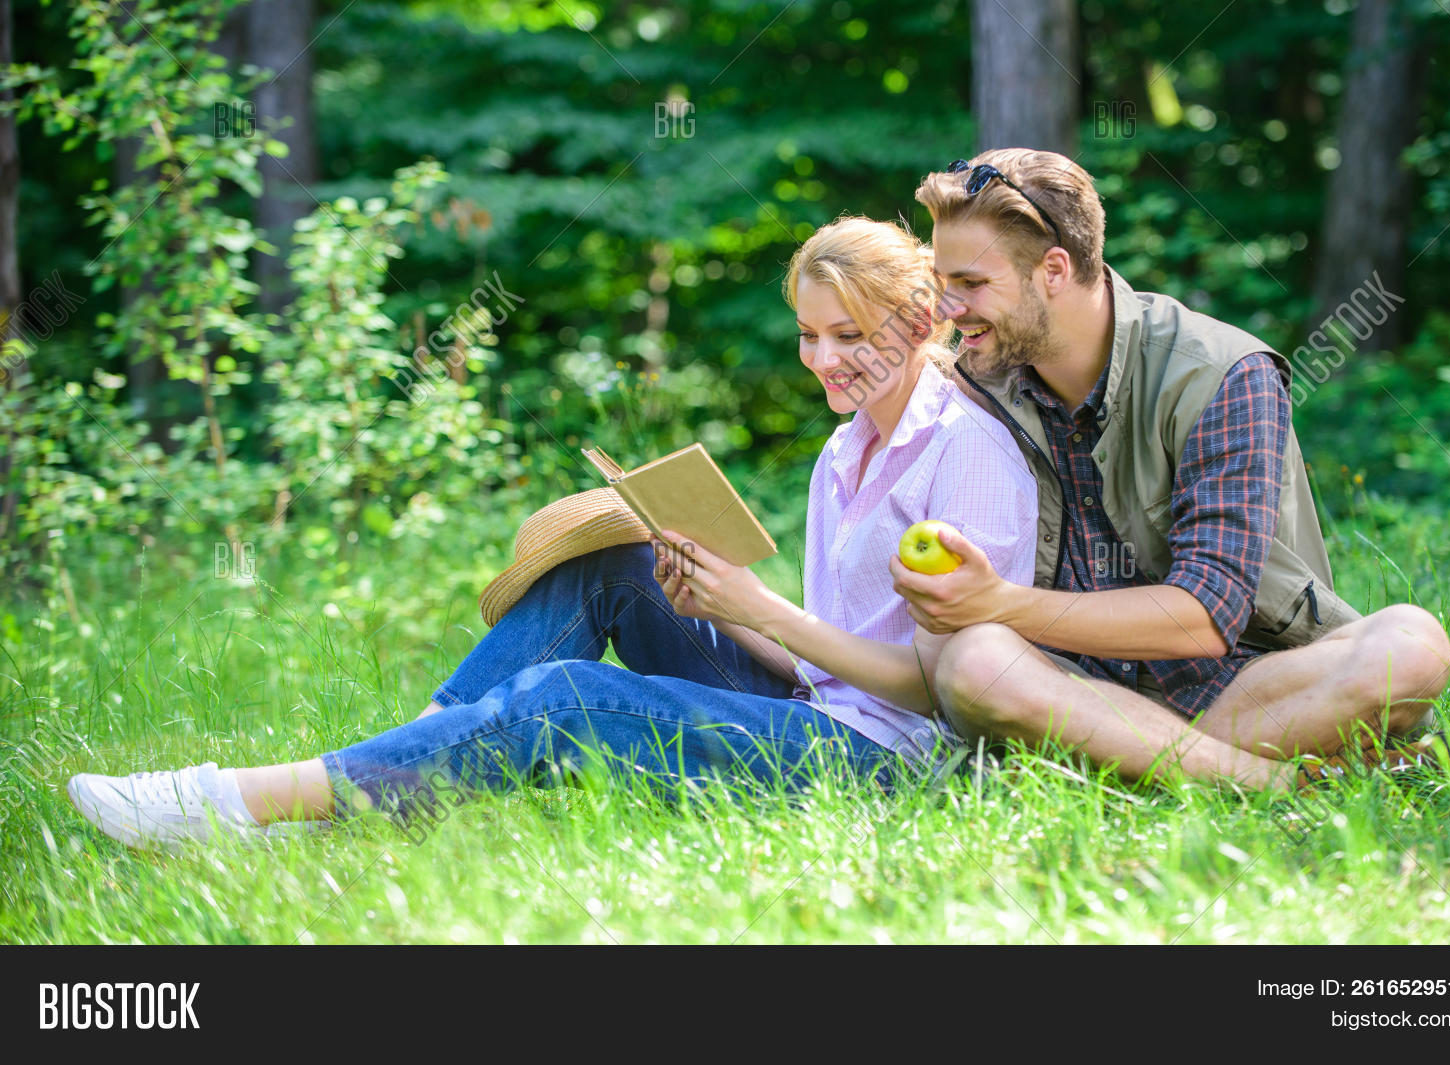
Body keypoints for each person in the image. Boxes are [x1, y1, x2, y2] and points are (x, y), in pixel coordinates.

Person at [65, 216, 1038, 849]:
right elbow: (826, 657)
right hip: (821, 705)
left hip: (888, 765)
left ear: (919, 324)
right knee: (613, 560)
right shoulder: (845, 452)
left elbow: (945, 694)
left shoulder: (968, 455)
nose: (823, 360)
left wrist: (760, 607)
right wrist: (709, 596)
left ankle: (240, 800)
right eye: (809, 335)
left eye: (850, 338)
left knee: (567, 699)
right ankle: (375, 785)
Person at [888, 147, 1450, 791]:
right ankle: (1282, 781)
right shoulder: (973, 381)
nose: (949, 308)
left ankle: (1123, 765)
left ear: (1053, 269)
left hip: (1244, 682)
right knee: (973, 664)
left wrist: (1000, 603)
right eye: (943, 284)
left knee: (1412, 645)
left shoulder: (1223, 373)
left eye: (971, 284)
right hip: (1069, 684)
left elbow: (1204, 615)